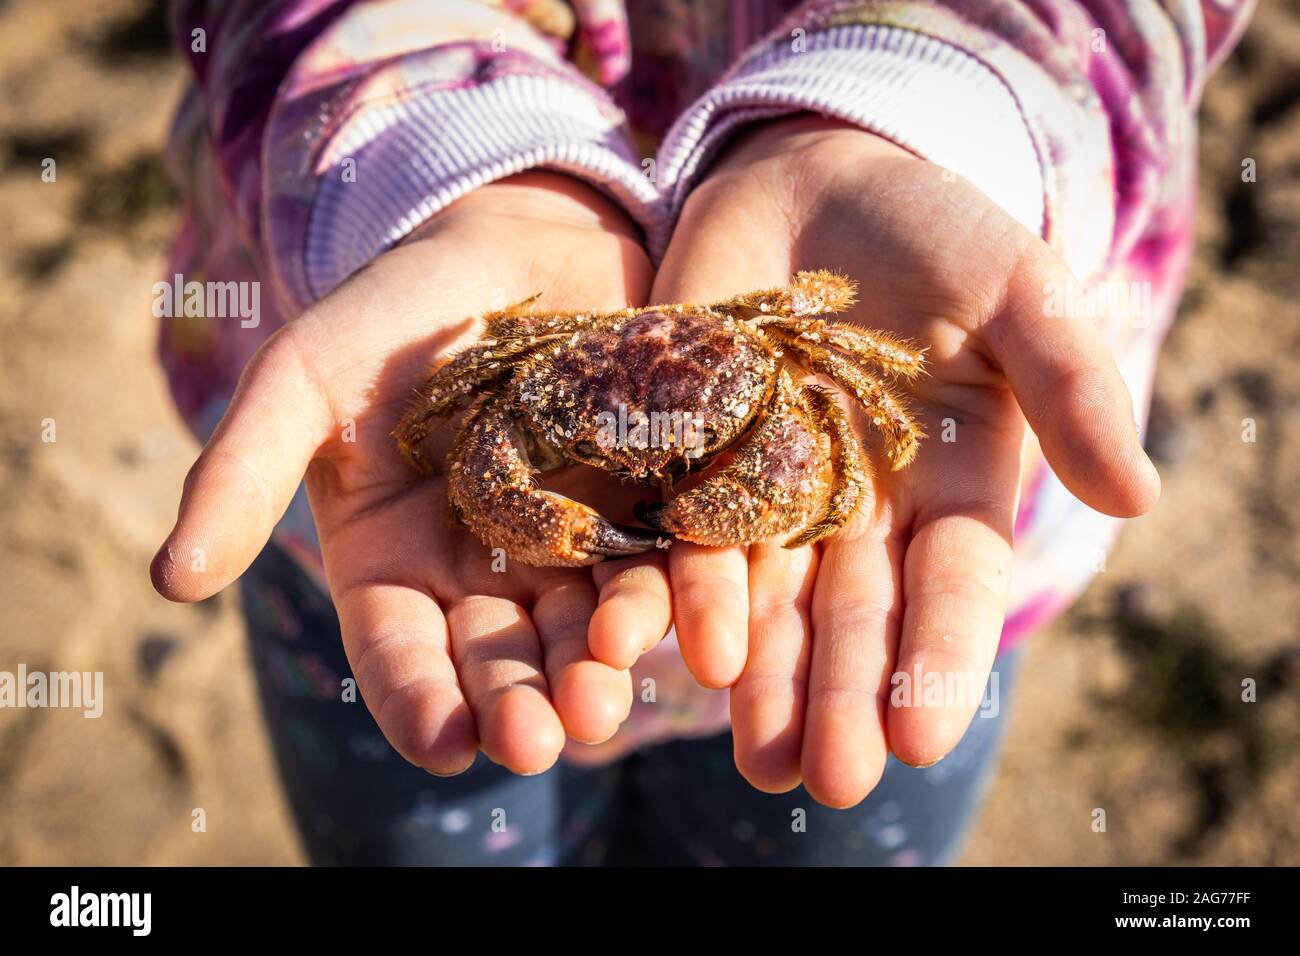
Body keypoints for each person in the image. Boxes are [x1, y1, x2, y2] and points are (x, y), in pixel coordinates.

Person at [151, 0, 1255, 865]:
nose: (649, 465)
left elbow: (848, 416)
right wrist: (441, 164)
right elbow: (462, 432)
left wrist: (914, 113)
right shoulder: (506, 379)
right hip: (367, 553)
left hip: (903, 599)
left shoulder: (788, 365)